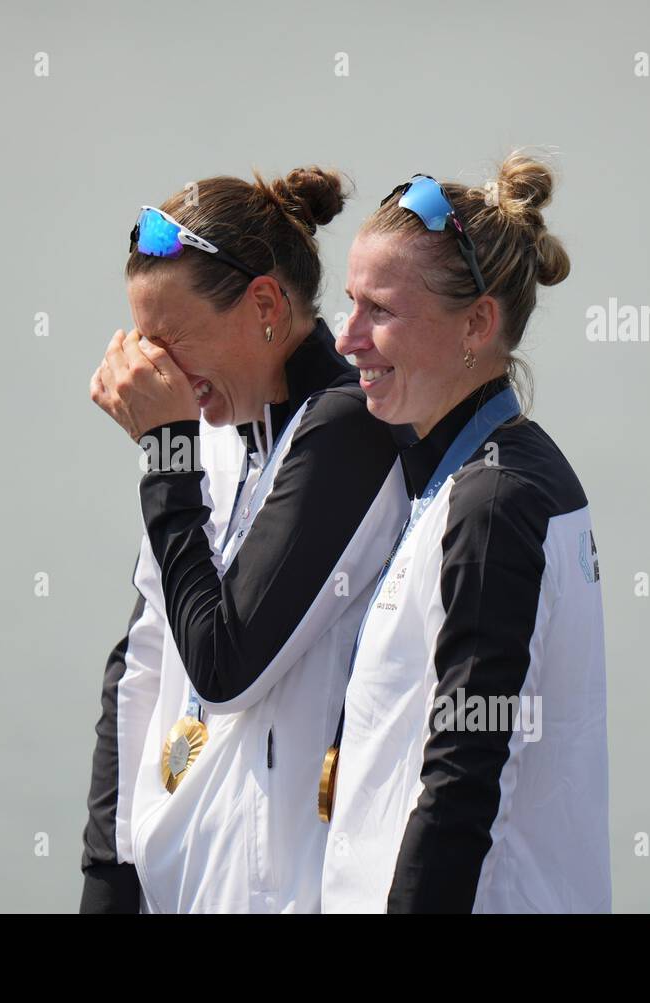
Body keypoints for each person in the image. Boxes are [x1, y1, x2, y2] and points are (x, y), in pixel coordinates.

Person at [80, 167, 411, 913]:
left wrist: (165, 451)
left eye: (170, 341)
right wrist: (109, 877)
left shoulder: (348, 428)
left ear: (263, 303)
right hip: (183, 891)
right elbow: (144, 658)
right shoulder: (214, 430)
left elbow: (224, 663)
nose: (157, 371)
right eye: (143, 342)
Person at [323, 153, 610, 913]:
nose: (348, 338)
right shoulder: (500, 474)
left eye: (378, 311)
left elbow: (464, 782)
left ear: (477, 325)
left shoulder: (491, 503)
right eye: (348, 303)